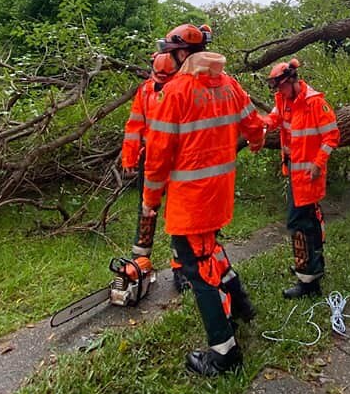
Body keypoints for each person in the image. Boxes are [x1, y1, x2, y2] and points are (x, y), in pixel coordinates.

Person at [143, 23, 265, 376]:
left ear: (182, 54)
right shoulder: (229, 84)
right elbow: (253, 124)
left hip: (191, 203)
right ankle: (241, 306)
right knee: (211, 252)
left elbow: (158, 156)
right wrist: (255, 142)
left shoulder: (175, 92)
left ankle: (224, 354)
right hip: (219, 195)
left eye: (170, 51)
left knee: (199, 271)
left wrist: (151, 199)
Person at [261, 59, 339, 298]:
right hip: (295, 172)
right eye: (277, 89)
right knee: (310, 223)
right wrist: (253, 125)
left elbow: (331, 136)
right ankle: (314, 266)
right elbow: (272, 121)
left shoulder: (315, 103)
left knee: (299, 224)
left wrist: (318, 164)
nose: (279, 92)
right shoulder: (283, 101)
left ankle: (308, 282)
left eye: (281, 87)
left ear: (292, 81)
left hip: (309, 175)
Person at [116, 52, 192, 293]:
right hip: (151, 157)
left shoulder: (183, 90)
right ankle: (140, 261)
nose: (160, 81)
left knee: (178, 213)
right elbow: (134, 125)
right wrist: (129, 155)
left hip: (179, 160)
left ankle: (181, 266)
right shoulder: (146, 90)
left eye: (165, 77)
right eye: (156, 76)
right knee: (146, 209)